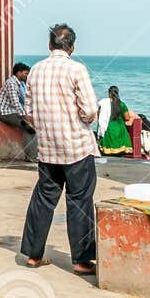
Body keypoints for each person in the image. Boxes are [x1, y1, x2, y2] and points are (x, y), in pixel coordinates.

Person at [20, 24, 99, 274]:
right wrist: (82, 120)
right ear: (71, 47)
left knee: (43, 199)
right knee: (79, 201)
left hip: (47, 148)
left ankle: (33, 255)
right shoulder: (76, 69)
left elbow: (28, 113)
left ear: (49, 45)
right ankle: (81, 260)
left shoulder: (35, 70)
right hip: (76, 147)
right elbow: (90, 110)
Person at [0, 61, 38, 160]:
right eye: (26, 73)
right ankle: (31, 156)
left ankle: (34, 153)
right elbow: (15, 103)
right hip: (4, 113)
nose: (27, 75)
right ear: (19, 72)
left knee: (34, 122)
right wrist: (25, 116)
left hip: (12, 112)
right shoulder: (11, 83)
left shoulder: (19, 83)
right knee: (29, 127)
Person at [97, 85, 134, 156]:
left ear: (109, 93)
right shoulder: (121, 104)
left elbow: (99, 116)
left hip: (107, 128)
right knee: (123, 128)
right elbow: (127, 118)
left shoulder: (104, 103)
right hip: (119, 128)